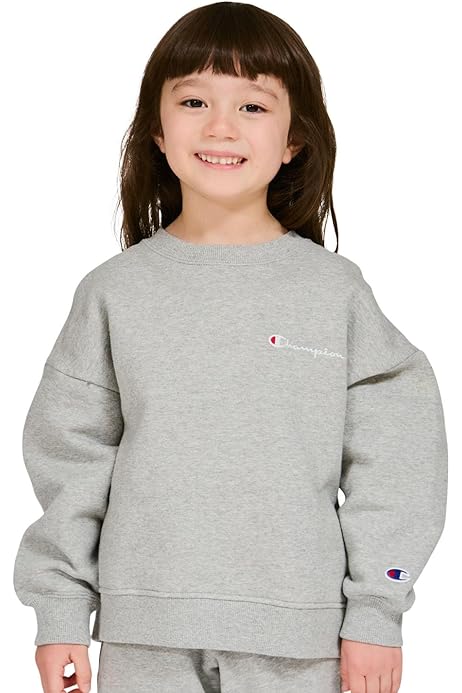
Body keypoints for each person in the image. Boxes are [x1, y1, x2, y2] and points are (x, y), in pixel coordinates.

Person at [12, 2, 448, 692]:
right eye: (193, 101)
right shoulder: (113, 292)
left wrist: (376, 611)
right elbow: (70, 460)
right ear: (157, 130)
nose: (220, 126)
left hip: (301, 640)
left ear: (294, 139)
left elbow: (399, 458)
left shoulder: (334, 292)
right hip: (144, 635)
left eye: (252, 105)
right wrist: (60, 612)